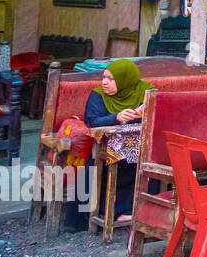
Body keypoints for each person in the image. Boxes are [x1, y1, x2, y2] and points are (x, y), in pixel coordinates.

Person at [60, 59, 154, 229]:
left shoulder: (145, 90)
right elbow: (92, 122)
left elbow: (156, 112)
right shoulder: (98, 95)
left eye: (111, 79)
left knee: (151, 159)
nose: (104, 82)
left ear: (125, 79)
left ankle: (132, 210)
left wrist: (137, 115)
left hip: (140, 142)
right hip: (104, 146)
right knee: (110, 163)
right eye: (104, 77)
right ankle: (109, 211)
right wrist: (116, 117)